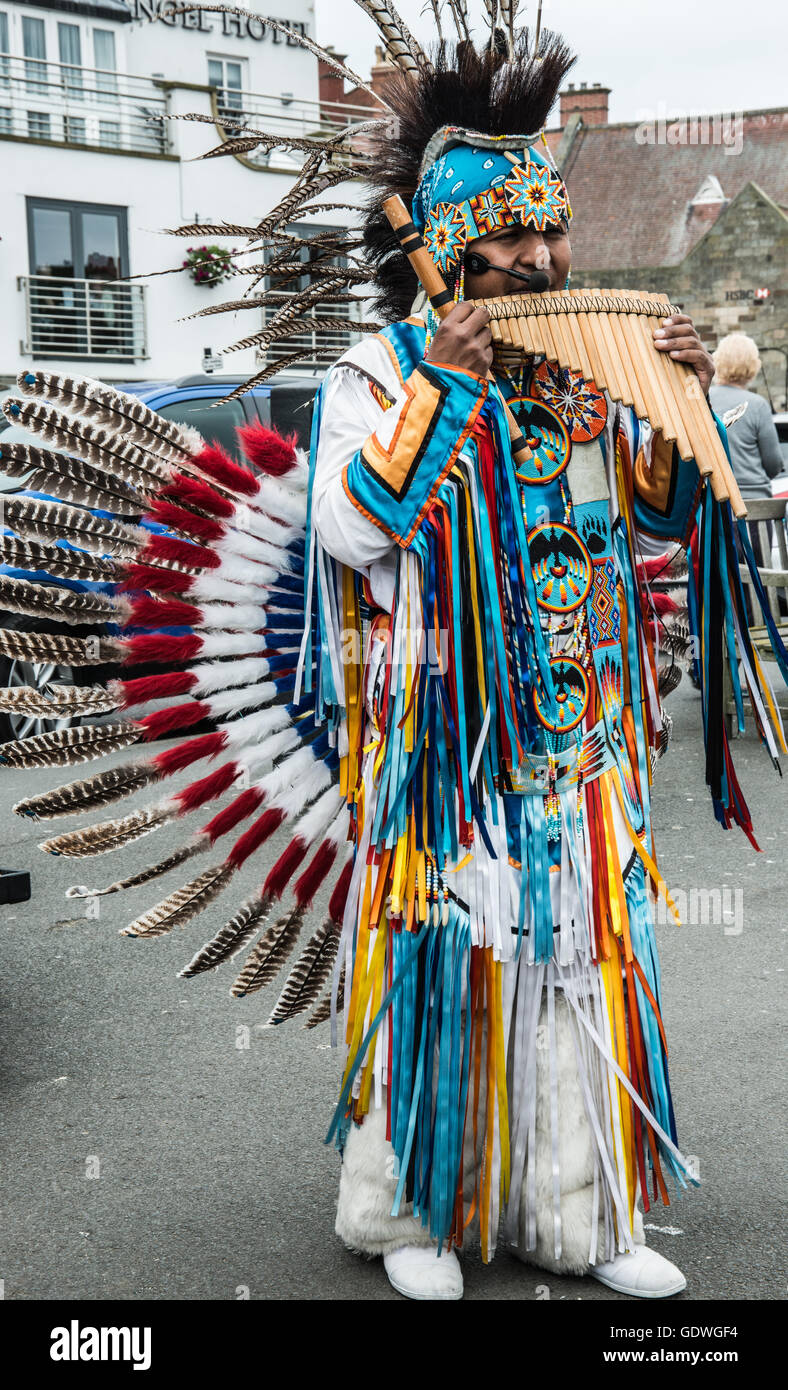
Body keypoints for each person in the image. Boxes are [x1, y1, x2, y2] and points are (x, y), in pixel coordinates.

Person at [306, 32, 755, 1302]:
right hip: (442, 745)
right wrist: (437, 396)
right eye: (509, 246)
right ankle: (418, 1213)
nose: (541, 264)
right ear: (443, 254)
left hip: (580, 734)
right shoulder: (370, 373)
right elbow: (348, 528)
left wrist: (681, 409)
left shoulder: (578, 371)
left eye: (547, 240)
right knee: (446, 955)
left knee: (579, 960)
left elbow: (661, 517)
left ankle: (586, 1209)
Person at [709, 334, 784, 500]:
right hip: (754, 503)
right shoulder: (757, 404)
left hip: (712, 502)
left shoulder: (702, 400)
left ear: (717, 361)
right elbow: (774, 465)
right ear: (753, 365)